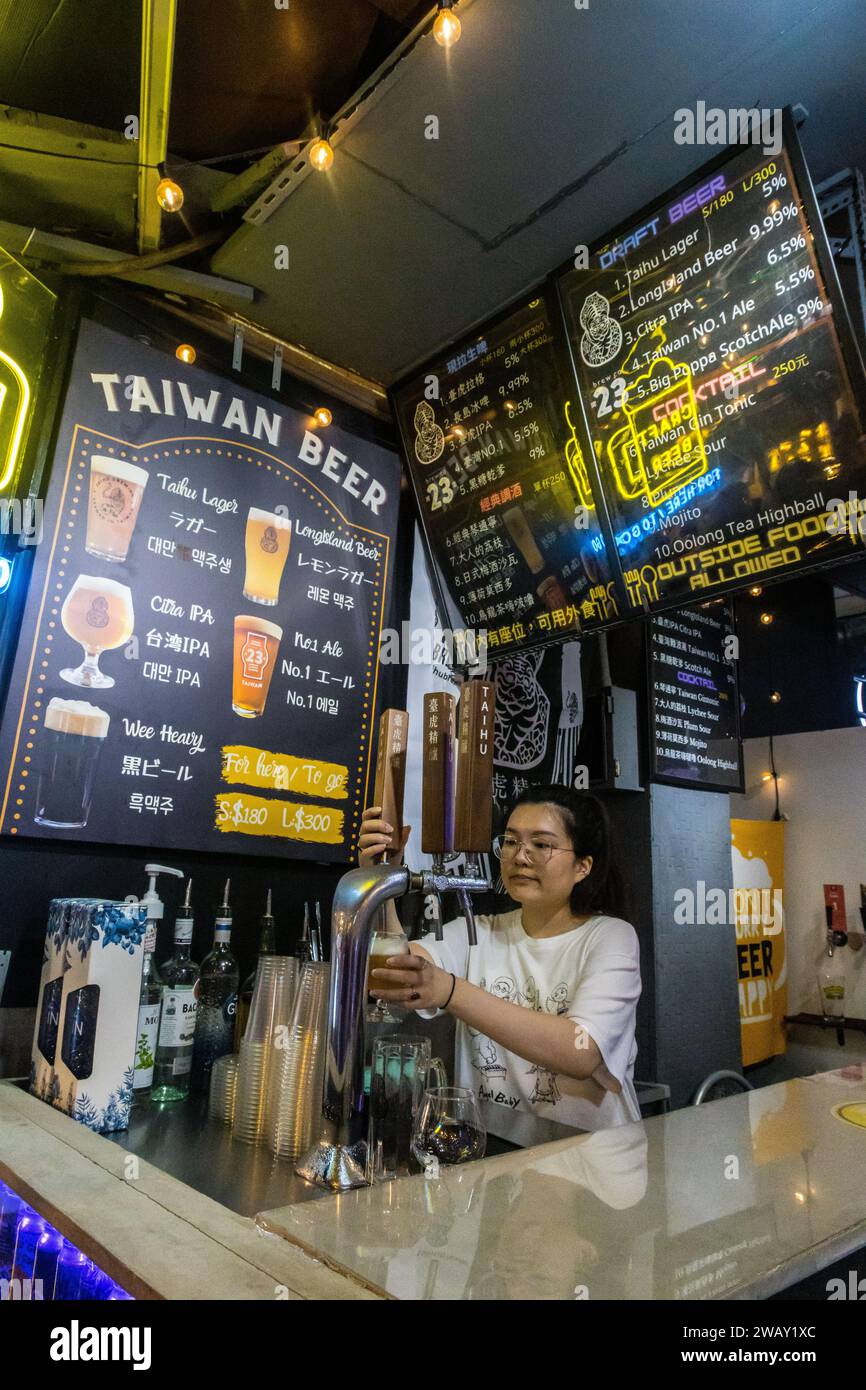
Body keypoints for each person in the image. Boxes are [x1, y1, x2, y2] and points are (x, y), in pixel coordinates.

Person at [359, 784, 642, 1131]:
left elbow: (580, 1051)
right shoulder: (478, 932)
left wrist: (450, 991)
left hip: (593, 1163)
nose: (520, 856)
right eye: (510, 841)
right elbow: (394, 972)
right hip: (499, 1158)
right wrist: (381, 881)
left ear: (583, 866)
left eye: (541, 844)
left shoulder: (610, 937)